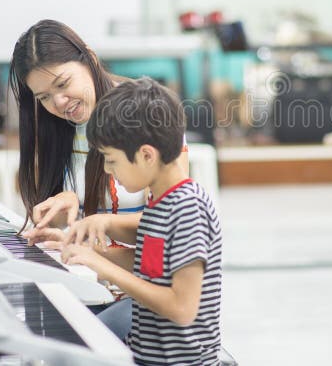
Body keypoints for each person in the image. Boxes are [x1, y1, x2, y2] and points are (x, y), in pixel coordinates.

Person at [61, 78, 222, 364]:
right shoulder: (161, 201)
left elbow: (182, 308)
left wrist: (101, 266)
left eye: (111, 160)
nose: (109, 171)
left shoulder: (187, 208)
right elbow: (150, 266)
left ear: (146, 155)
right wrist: (84, 250)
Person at [7, 19, 188, 240]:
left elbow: (171, 221)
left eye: (63, 84)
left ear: (90, 59)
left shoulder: (146, 111)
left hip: (135, 268)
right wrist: (62, 207)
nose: (59, 102)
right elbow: (58, 224)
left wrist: (98, 224)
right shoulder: (52, 124)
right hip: (85, 263)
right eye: (44, 97)